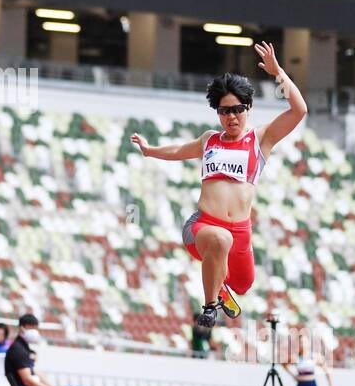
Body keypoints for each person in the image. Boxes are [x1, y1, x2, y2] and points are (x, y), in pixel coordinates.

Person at [131, 42, 306, 329]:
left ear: (248, 107)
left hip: (241, 232)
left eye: (237, 109)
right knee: (220, 240)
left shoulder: (260, 140)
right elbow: (178, 151)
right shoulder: (209, 140)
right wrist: (150, 151)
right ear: (217, 113)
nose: (232, 117)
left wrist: (279, 74)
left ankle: (223, 287)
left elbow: (299, 111)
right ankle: (211, 305)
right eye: (224, 111)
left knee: (244, 283)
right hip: (202, 227)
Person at [4, 314, 78, 386]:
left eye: (36, 329)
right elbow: (27, 380)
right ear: (22, 328)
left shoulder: (25, 349)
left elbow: (35, 371)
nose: (35, 332)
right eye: (32, 328)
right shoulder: (17, 350)